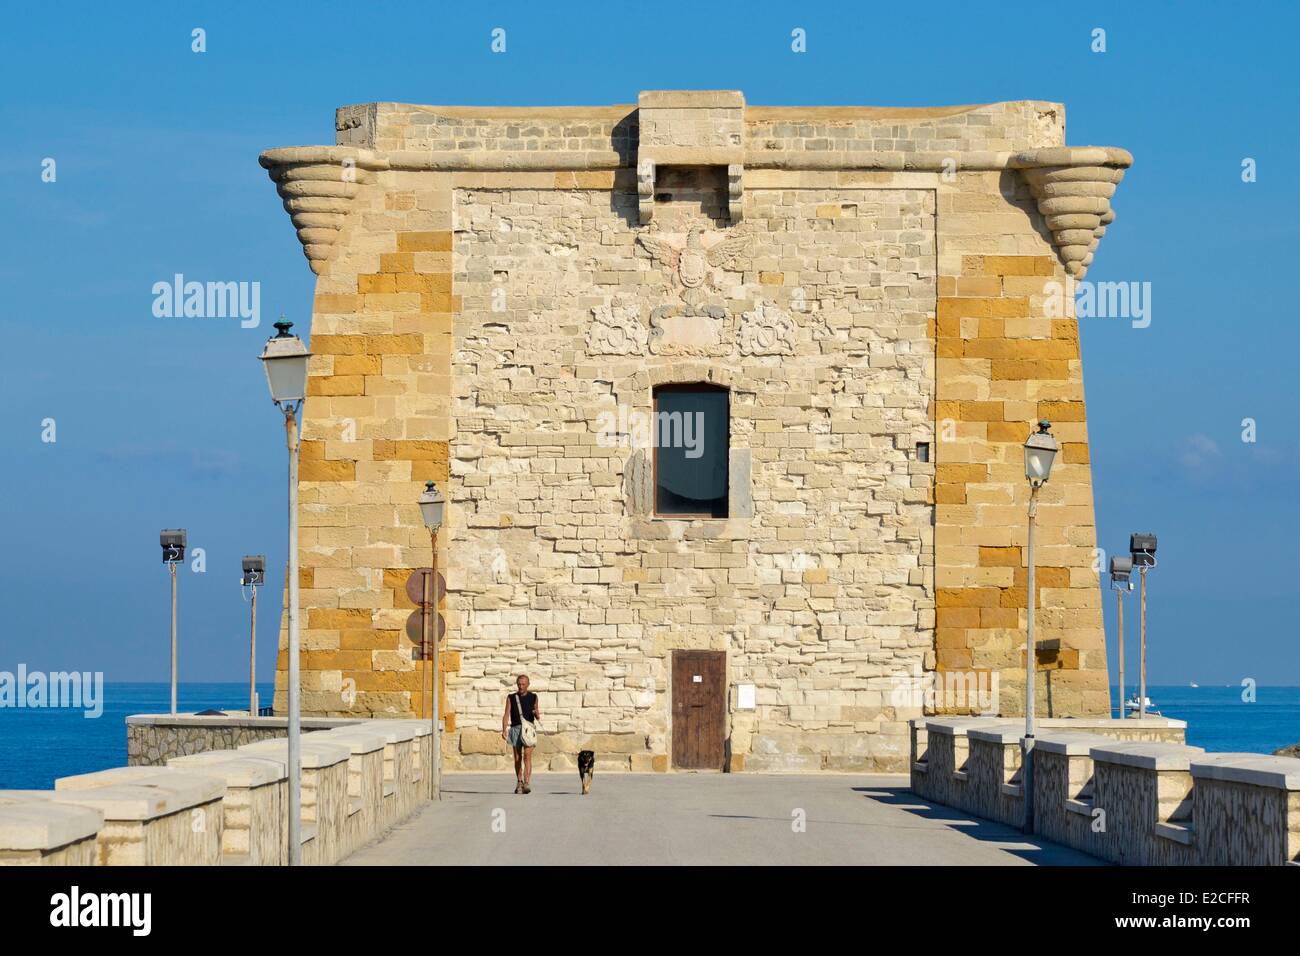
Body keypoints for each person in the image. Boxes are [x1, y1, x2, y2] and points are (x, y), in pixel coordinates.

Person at [502, 674, 541, 794]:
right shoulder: (511, 697)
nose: (520, 686)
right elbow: (506, 714)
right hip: (515, 729)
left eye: (523, 684)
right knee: (517, 758)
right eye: (519, 684)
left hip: (528, 730)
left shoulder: (534, 697)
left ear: (528, 685)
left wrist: (536, 714)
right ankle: (519, 781)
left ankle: (527, 783)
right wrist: (504, 729)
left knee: (527, 757)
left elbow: (537, 715)